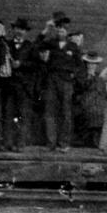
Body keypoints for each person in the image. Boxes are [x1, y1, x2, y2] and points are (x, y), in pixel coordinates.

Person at [41, 20, 79, 152]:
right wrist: (47, 29)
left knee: (66, 112)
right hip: (52, 79)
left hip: (66, 81)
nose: (60, 32)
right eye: (58, 30)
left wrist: (73, 75)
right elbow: (38, 45)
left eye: (63, 30)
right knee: (50, 111)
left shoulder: (73, 46)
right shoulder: (50, 44)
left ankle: (64, 143)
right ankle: (51, 143)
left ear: (67, 32)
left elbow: (79, 65)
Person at [3, 19, 39, 151]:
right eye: (17, 29)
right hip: (10, 86)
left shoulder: (31, 46)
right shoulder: (7, 45)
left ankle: (21, 143)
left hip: (24, 87)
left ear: (26, 32)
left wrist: (21, 64)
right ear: (14, 30)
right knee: (8, 115)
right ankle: (8, 143)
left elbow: (36, 65)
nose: (19, 32)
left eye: (22, 29)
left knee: (23, 116)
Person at [77, 51, 107, 149]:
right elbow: (80, 88)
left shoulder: (100, 78)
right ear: (86, 64)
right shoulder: (81, 76)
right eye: (89, 63)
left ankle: (95, 142)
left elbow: (103, 93)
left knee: (98, 115)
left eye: (94, 64)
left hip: (98, 106)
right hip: (85, 104)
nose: (91, 66)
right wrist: (89, 77)